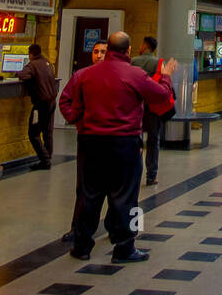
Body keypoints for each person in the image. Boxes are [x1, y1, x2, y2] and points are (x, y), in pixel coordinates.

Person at [59, 31, 176, 262]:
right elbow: (162, 96)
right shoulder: (135, 75)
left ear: (108, 49)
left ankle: (81, 247)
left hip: (90, 142)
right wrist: (165, 75)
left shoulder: (83, 74)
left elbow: (65, 100)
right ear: (129, 50)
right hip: (125, 144)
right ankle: (124, 247)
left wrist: (77, 118)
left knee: (88, 195)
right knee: (126, 197)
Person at [61, 41, 107, 243]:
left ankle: (113, 228)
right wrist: (75, 119)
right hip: (88, 138)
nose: (98, 55)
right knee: (84, 188)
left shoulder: (118, 75)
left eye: (103, 52)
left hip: (113, 139)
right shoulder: (81, 76)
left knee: (114, 189)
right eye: (96, 51)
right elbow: (65, 100)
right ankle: (78, 229)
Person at [18, 43, 59, 171]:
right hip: (52, 102)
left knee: (33, 133)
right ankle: (48, 158)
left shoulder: (32, 65)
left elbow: (23, 75)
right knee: (48, 132)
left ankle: (45, 160)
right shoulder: (47, 63)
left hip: (40, 105)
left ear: (31, 54)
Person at [131, 35, 163, 186]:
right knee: (153, 140)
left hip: (135, 106)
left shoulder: (133, 61)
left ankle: (133, 174)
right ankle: (152, 175)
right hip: (153, 107)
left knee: (135, 140)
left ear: (144, 46)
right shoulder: (158, 63)